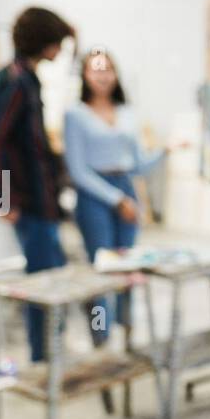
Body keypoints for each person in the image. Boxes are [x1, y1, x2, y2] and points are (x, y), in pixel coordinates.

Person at [0, 6, 76, 363]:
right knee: (43, 287)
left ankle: (50, 354)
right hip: (31, 206)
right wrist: (4, 200)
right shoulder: (16, 82)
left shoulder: (23, 78)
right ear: (44, 41)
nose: (61, 50)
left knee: (53, 279)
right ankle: (43, 359)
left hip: (43, 203)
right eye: (59, 42)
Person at [63, 48, 166, 347]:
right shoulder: (75, 114)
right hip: (94, 195)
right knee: (101, 271)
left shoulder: (127, 113)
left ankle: (128, 332)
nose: (102, 75)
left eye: (106, 69)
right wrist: (115, 200)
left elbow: (137, 164)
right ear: (84, 75)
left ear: (115, 73)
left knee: (127, 268)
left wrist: (165, 150)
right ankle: (101, 337)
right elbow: (78, 171)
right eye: (95, 69)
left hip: (126, 188)